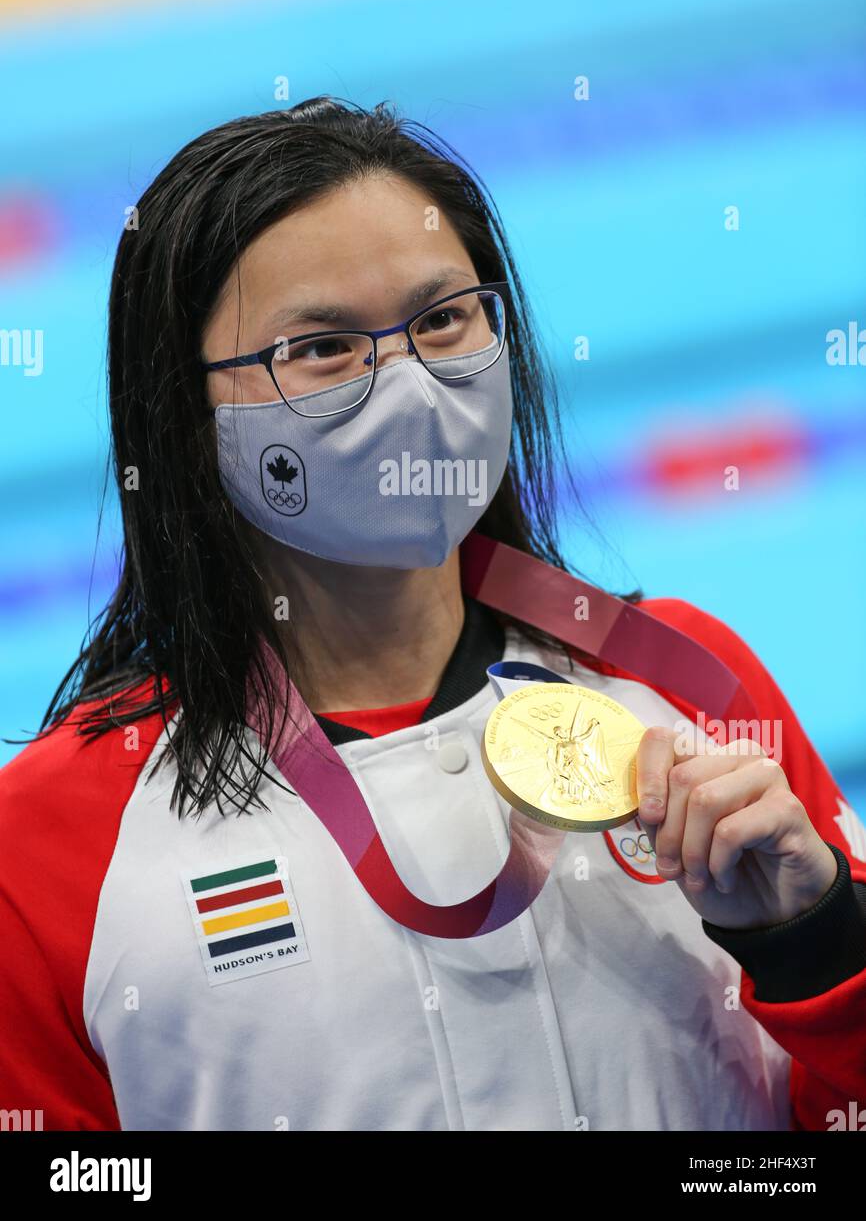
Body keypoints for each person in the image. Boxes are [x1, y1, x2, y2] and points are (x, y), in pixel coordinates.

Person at [1, 98, 864, 1133]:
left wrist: (815, 940)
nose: (408, 385)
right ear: (185, 417)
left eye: (440, 319)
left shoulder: (685, 677)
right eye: (320, 347)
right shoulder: (54, 836)